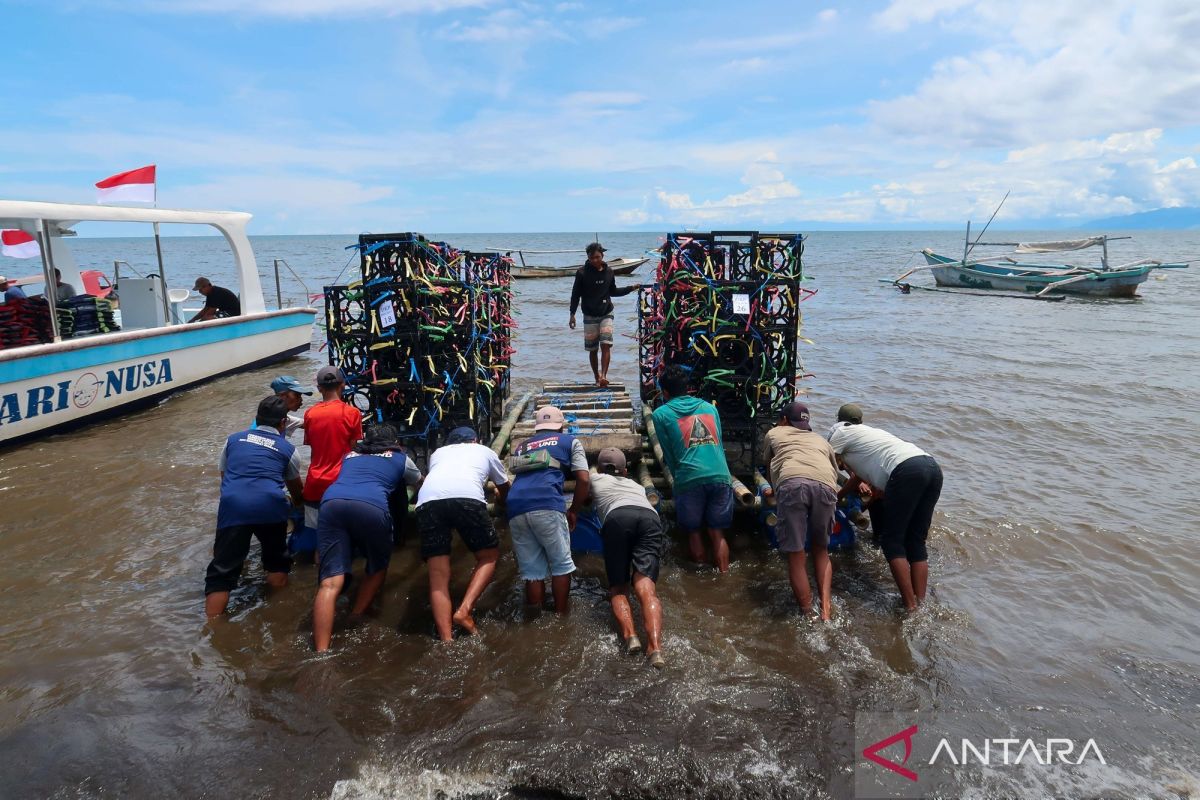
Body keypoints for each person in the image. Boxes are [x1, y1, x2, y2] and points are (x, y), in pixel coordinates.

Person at [312, 424, 423, 652]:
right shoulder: (400, 458)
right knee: (377, 566)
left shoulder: (350, 456)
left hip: (331, 503)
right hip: (371, 507)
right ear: (394, 441)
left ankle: (321, 651)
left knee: (330, 583)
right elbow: (418, 481)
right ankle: (356, 615)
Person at [826, 406, 943, 611]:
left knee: (891, 541)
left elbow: (824, 461)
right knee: (915, 540)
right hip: (931, 467)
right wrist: (839, 497)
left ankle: (910, 606)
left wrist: (829, 498)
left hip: (906, 471)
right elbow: (859, 476)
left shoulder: (839, 432)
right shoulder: (868, 435)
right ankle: (920, 603)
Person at [204, 395, 304, 617]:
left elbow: (225, 477)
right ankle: (276, 614)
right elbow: (296, 489)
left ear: (257, 419)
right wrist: (300, 509)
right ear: (283, 423)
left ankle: (212, 627)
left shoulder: (233, 440)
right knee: (277, 563)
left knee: (221, 574)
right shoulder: (288, 450)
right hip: (270, 505)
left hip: (234, 505)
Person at [415, 426, 510, 641]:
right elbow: (504, 487)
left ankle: (446, 640)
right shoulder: (485, 451)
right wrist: (502, 503)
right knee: (488, 556)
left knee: (438, 576)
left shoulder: (438, 454)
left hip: (428, 502)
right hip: (467, 498)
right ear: (475, 441)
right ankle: (464, 610)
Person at [760, 402, 842, 620]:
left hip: (792, 483)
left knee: (796, 555)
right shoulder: (821, 440)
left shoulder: (775, 432)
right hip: (826, 486)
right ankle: (825, 612)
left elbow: (768, 465)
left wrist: (773, 490)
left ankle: (808, 615)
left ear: (784, 420)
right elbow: (833, 472)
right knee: (821, 550)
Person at [650, 365, 735, 572]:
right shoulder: (710, 408)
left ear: (665, 392)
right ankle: (724, 576)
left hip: (689, 478)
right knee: (717, 533)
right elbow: (719, 442)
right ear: (687, 388)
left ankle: (701, 580)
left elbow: (669, 453)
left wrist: (678, 475)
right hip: (721, 476)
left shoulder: (661, 414)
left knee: (694, 531)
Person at [505, 406, 589, 613]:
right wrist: (574, 510)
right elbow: (584, 479)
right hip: (546, 504)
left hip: (515, 505)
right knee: (561, 565)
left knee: (532, 571)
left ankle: (535, 618)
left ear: (537, 428)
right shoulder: (570, 442)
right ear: (561, 427)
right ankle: (560, 617)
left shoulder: (522, 446)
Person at [590, 447, 667, 668]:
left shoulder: (595, 480)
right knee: (646, 587)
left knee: (619, 587)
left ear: (602, 468)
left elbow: (584, 491)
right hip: (649, 518)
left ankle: (631, 636)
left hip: (617, 517)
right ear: (625, 471)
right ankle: (655, 647)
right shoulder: (636, 485)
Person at [301, 366, 363, 556]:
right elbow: (353, 449)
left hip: (315, 484)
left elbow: (313, 446)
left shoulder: (310, 414)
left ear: (319, 388)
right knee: (347, 535)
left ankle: (319, 576)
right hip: (341, 482)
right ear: (342, 385)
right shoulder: (352, 413)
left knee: (320, 541)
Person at [568, 242, 637, 387]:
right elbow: (575, 295)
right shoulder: (582, 273)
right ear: (587, 257)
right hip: (589, 314)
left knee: (606, 344)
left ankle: (604, 376)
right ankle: (596, 376)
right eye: (591, 257)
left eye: (597, 257)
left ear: (602, 256)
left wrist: (631, 288)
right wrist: (572, 314)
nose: (594, 260)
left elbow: (613, 291)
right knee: (593, 348)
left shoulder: (609, 272)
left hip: (606, 312)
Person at [269, 375, 312, 440]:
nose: (301, 400)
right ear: (282, 396)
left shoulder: (284, 418)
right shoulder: (269, 420)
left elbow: (310, 424)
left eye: (300, 396)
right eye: (297, 395)